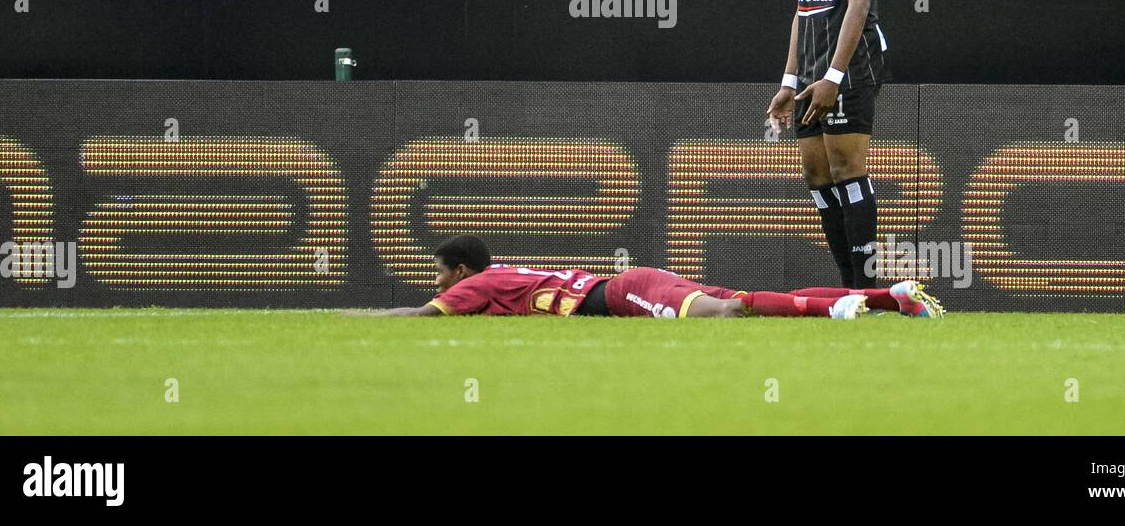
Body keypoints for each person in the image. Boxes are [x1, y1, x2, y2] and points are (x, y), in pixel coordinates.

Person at [767, 0, 889, 288]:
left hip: (852, 64)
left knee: (846, 169)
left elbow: (858, 3)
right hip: (813, 70)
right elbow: (805, 8)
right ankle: (847, 290)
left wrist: (835, 75)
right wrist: (790, 80)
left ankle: (867, 291)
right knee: (817, 176)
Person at [359, 235, 943, 319]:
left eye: (441, 275)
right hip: (627, 282)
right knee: (750, 299)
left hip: (621, 293)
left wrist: (353, 314)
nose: (439, 285)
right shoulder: (503, 273)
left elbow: (420, 316)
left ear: (460, 271)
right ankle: (887, 297)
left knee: (721, 314)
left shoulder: (474, 285)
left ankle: (833, 311)